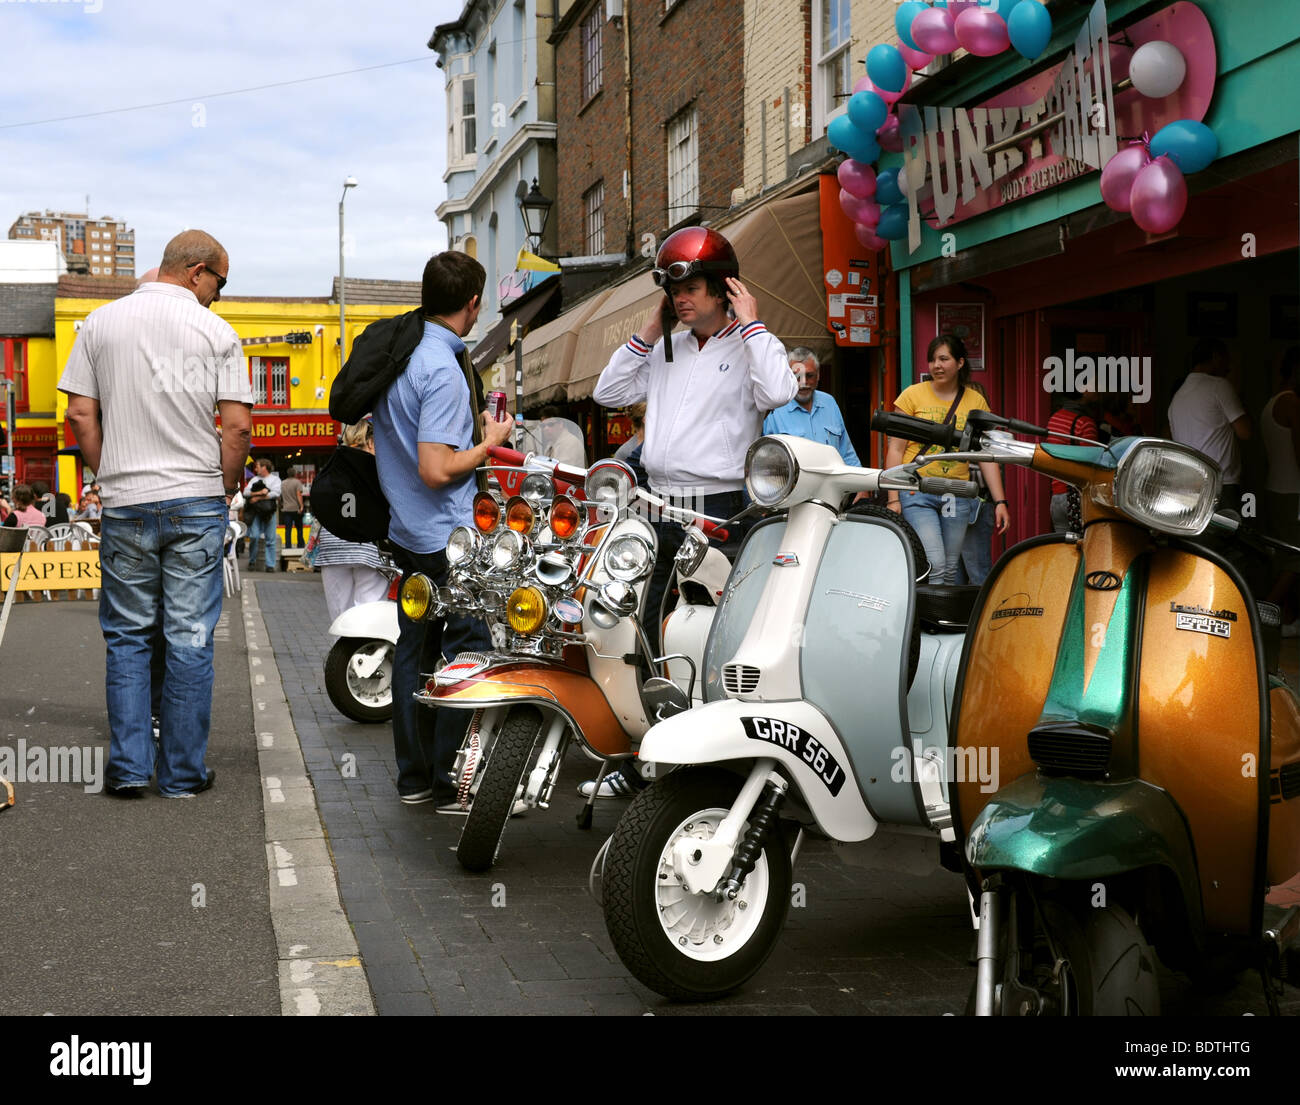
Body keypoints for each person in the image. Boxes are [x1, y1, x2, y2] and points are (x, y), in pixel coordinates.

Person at [590, 226, 797, 797]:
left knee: (712, 635)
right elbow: (607, 393)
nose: (682, 298)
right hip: (658, 506)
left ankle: (716, 753)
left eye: (694, 287)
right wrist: (650, 330)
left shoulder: (753, 343)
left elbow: (779, 392)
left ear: (723, 287)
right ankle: (645, 755)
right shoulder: (665, 348)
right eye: (672, 288)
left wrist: (752, 323)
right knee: (644, 626)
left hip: (723, 513)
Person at [58, 228, 252, 798]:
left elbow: (79, 416)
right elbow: (237, 426)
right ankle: (183, 775)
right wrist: (222, 488)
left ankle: (128, 769)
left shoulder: (99, 324)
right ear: (196, 272)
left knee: (128, 638)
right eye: (219, 281)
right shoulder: (215, 331)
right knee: (190, 638)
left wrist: (108, 473)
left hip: (125, 503)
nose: (219, 295)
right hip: (195, 500)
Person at [371, 250, 513, 811]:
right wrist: (488, 441)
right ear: (472, 303)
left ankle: (414, 778)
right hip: (448, 538)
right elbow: (435, 468)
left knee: (415, 650)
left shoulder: (400, 356)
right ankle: (454, 778)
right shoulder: (442, 369)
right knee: (466, 652)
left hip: (407, 533)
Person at [884, 334, 1010, 585]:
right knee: (937, 564)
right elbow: (896, 449)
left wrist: (1000, 501)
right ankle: (928, 624)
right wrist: (893, 498)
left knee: (951, 569)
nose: (936, 366)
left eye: (944, 359)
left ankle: (939, 623)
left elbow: (986, 455)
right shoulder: (912, 395)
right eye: (932, 360)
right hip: (917, 490)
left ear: (960, 363)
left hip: (957, 492)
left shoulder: (976, 402)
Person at [316, 424, 390, 622]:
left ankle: (341, 653)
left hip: (333, 545)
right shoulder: (380, 467)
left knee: (340, 616)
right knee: (369, 613)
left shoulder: (335, 465)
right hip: (369, 546)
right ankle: (365, 651)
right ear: (372, 441)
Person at [1168, 338, 1249, 510]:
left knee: (1195, 537)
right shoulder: (1220, 386)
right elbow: (1246, 432)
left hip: (1186, 485)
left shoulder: (1177, 397)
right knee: (1225, 535)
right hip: (1220, 484)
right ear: (1216, 357)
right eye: (1227, 359)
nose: (1229, 365)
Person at [762, 348, 861, 465]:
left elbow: (847, 454)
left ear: (818, 375)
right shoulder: (775, 409)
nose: (803, 383)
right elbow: (763, 460)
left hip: (831, 482)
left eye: (809, 376)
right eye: (797, 376)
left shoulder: (829, 403)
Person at [1261, 347, 1300, 634]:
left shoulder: (1271, 401)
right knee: (1296, 556)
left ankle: (1284, 617)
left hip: (1275, 486)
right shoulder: (1291, 402)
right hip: (1292, 490)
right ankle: (1265, 610)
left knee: (1283, 555)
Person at [1045, 387, 1101, 533]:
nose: (1100, 388)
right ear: (1083, 390)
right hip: (1077, 500)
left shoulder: (1055, 418)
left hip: (1057, 495)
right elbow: (1092, 466)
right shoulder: (1085, 423)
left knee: (1063, 549)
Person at [244, 457, 281, 572]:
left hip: (269, 512)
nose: (256, 469)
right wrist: (261, 493)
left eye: (258, 466)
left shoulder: (275, 479)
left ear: (264, 467)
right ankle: (252, 561)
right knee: (254, 536)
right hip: (256, 512)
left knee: (270, 539)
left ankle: (270, 565)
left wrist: (257, 497)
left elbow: (277, 492)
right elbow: (245, 492)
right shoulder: (254, 479)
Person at [279, 466, 306, 548]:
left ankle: (288, 545)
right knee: (299, 528)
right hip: (296, 508)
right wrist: (301, 506)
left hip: (286, 508)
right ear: (295, 474)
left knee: (288, 529)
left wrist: (281, 504)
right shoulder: (297, 482)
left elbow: (279, 496)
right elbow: (299, 495)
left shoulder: (282, 483)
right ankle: (300, 544)